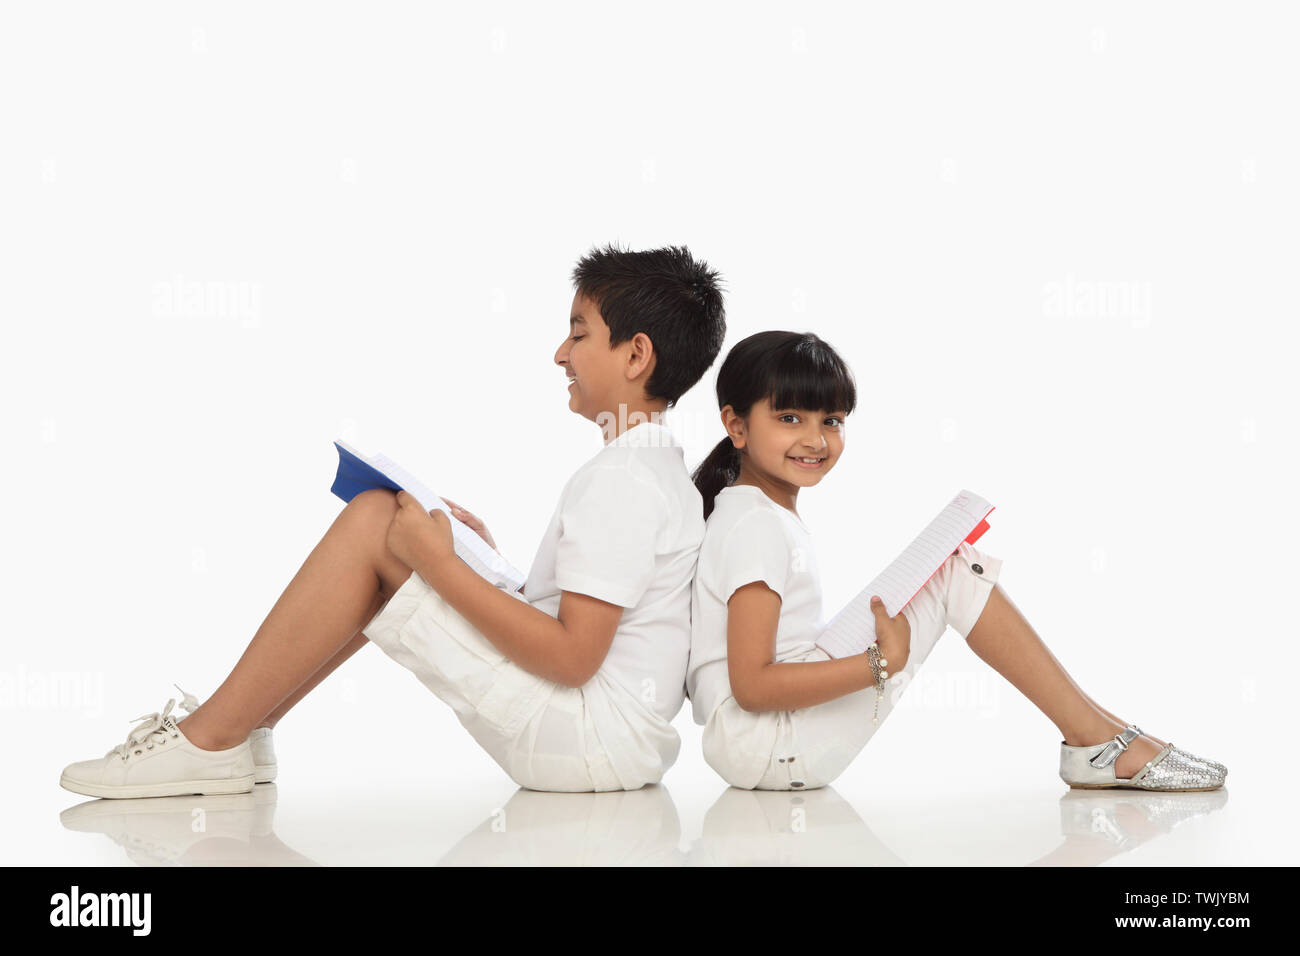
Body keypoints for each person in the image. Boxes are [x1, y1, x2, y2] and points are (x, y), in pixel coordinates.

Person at [60, 243, 727, 798]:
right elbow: (595, 630)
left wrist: (438, 563)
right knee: (399, 532)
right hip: (614, 743)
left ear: (636, 356)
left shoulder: (620, 482)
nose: (560, 353)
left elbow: (574, 658)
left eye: (579, 333)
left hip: (586, 743)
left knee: (378, 520)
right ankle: (242, 734)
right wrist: (485, 564)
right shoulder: (651, 472)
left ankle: (210, 740)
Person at [685, 330, 1227, 792]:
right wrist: (878, 665)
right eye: (789, 417)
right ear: (736, 426)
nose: (815, 439)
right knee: (952, 573)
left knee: (947, 565)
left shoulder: (755, 514)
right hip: (771, 746)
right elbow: (753, 687)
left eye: (832, 420)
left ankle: (1106, 733)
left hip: (762, 743)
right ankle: (1099, 743)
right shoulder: (754, 525)